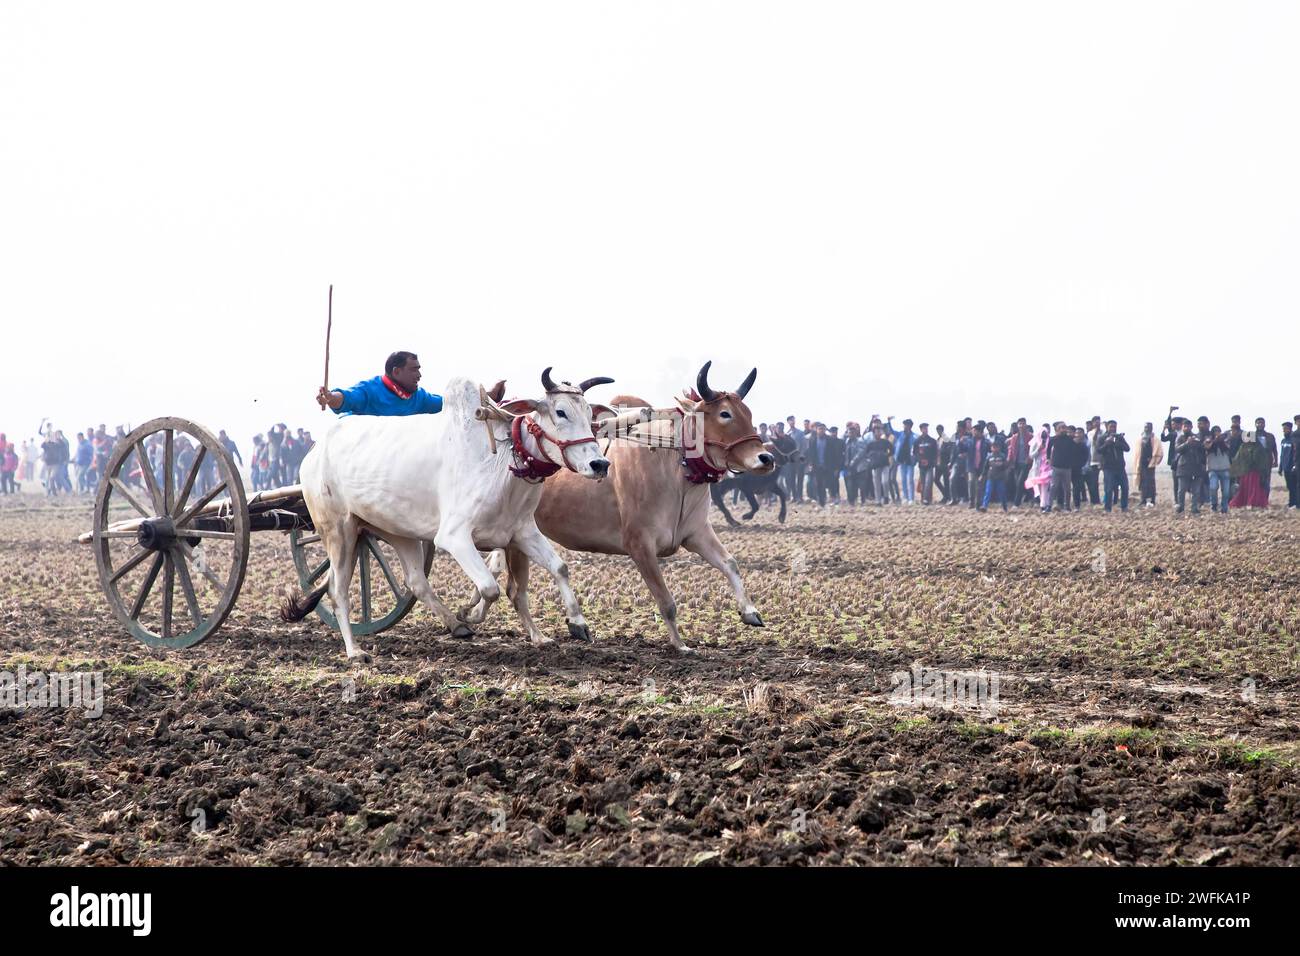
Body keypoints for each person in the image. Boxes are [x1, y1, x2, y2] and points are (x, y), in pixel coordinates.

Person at [317, 351, 444, 418]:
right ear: (397, 372)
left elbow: (447, 404)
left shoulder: (420, 397)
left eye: (419, 369)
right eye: (413, 370)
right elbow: (349, 398)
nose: (419, 375)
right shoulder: (370, 390)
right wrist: (331, 397)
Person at [1229, 432, 1272, 509]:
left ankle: (1253, 502)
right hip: (1245, 471)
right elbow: (1238, 459)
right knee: (1244, 488)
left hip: (1255, 472)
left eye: (1250, 437)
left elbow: (1262, 460)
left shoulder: (1258, 447)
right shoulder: (1243, 447)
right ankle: (1245, 502)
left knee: (1254, 488)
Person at [1175, 419, 1207, 514]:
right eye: (1185, 426)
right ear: (1182, 427)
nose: (1186, 428)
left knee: (1196, 490)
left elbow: (1202, 449)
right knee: (1182, 489)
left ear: (1191, 427)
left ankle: (1194, 508)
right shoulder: (1180, 438)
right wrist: (1187, 443)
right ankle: (1181, 506)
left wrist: (1199, 444)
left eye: (1188, 426)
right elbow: (1177, 449)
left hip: (1196, 467)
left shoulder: (1197, 437)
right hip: (1183, 467)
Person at [1098, 421, 1131, 513]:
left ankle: (1124, 507)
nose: (1113, 428)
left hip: (1120, 467)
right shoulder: (1102, 438)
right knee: (1109, 488)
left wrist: (1117, 443)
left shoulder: (1119, 437)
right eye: (1111, 427)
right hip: (1108, 467)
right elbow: (1099, 450)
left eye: (1114, 427)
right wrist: (1107, 443)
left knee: (1125, 487)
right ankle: (1107, 508)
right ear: (1107, 427)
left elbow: (1127, 448)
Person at [1133, 422, 1162, 507]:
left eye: (1149, 427)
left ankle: (1152, 500)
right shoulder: (1140, 439)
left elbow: (1159, 451)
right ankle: (1143, 499)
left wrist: (1153, 460)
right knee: (1142, 482)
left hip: (1150, 464)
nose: (1147, 429)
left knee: (1150, 482)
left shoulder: (1155, 440)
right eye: (1146, 427)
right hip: (1141, 463)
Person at [1205, 426, 1233, 514]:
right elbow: (1207, 447)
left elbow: (1228, 448)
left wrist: (1221, 441)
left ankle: (1224, 508)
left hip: (1225, 468)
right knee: (1213, 488)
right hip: (1213, 469)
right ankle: (1214, 506)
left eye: (1218, 431)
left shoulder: (1226, 440)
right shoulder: (1208, 440)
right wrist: (1214, 441)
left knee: (1226, 491)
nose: (1217, 433)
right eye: (1215, 432)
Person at [1026, 424, 1052, 510]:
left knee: (1046, 486)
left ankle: (1044, 505)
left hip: (1047, 467)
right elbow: (1031, 455)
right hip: (1037, 467)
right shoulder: (1035, 442)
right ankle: (1042, 503)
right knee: (1039, 487)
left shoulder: (1050, 441)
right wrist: (1039, 449)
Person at [893, 419, 917, 505]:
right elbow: (891, 431)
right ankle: (905, 497)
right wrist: (889, 422)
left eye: (905, 425)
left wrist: (915, 459)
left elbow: (916, 449)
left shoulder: (914, 436)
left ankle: (911, 498)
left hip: (910, 461)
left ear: (909, 426)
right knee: (903, 480)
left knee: (909, 479)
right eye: (903, 425)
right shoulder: (900, 434)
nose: (904, 426)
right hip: (901, 460)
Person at [914, 423, 938, 505]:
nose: (925, 430)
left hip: (930, 465)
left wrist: (932, 461)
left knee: (929, 482)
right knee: (923, 483)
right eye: (924, 428)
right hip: (921, 465)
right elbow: (915, 453)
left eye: (926, 428)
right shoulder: (917, 441)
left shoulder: (932, 441)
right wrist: (920, 460)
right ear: (921, 429)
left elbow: (935, 453)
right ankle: (924, 499)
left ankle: (927, 499)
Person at [1280, 421, 1297, 509]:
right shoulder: (1283, 441)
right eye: (1283, 430)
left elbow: (1295, 453)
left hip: (1292, 467)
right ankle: (1291, 502)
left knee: (1293, 486)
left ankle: (1294, 503)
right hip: (1285, 467)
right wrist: (1280, 468)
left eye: (1286, 429)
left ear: (1290, 429)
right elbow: (1282, 454)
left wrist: (1294, 465)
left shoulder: (1293, 440)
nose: (1284, 431)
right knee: (1289, 486)